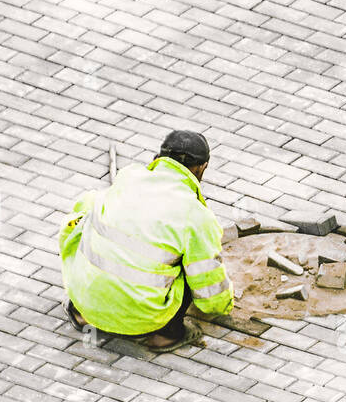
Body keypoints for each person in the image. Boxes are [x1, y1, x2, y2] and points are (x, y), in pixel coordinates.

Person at [60, 129, 234, 351]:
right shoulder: (196, 215)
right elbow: (208, 285)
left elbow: (82, 210)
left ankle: (81, 311)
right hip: (141, 318)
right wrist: (224, 304)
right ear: (202, 168)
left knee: (86, 223)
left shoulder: (127, 177)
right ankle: (166, 335)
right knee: (192, 265)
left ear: (157, 158)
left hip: (86, 301)